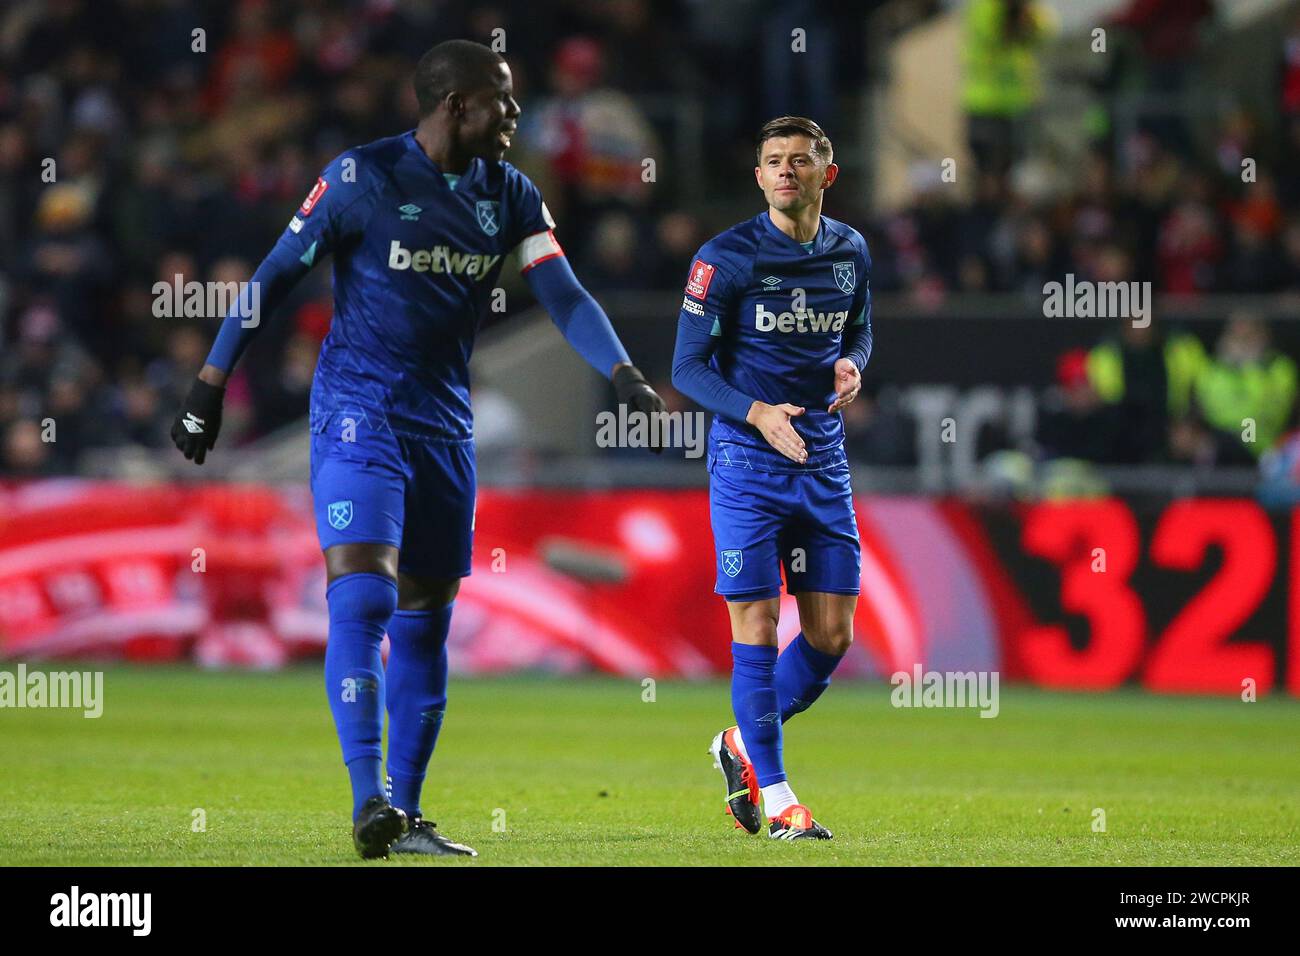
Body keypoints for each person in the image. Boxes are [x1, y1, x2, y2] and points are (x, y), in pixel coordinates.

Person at [170, 40, 665, 859]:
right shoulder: (362, 178)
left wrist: (624, 373)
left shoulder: (511, 195)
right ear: (453, 105)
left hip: (444, 429)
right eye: (499, 101)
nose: (514, 116)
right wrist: (210, 384)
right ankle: (368, 800)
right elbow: (270, 277)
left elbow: (566, 295)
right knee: (361, 601)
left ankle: (405, 810)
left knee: (427, 623)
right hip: (359, 414)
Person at [671, 116, 872, 841]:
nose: (787, 170)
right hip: (747, 464)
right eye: (773, 161)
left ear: (828, 172)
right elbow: (686, 367)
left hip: (822, 459)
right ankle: (782, 795)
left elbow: (860, 328)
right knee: (757, 625)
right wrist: (756, 411)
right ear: (758, 176)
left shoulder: (851, 251)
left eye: (801, 160)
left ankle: (738, 742)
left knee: (832, 635)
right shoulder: (723, 259)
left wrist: (854, 361)